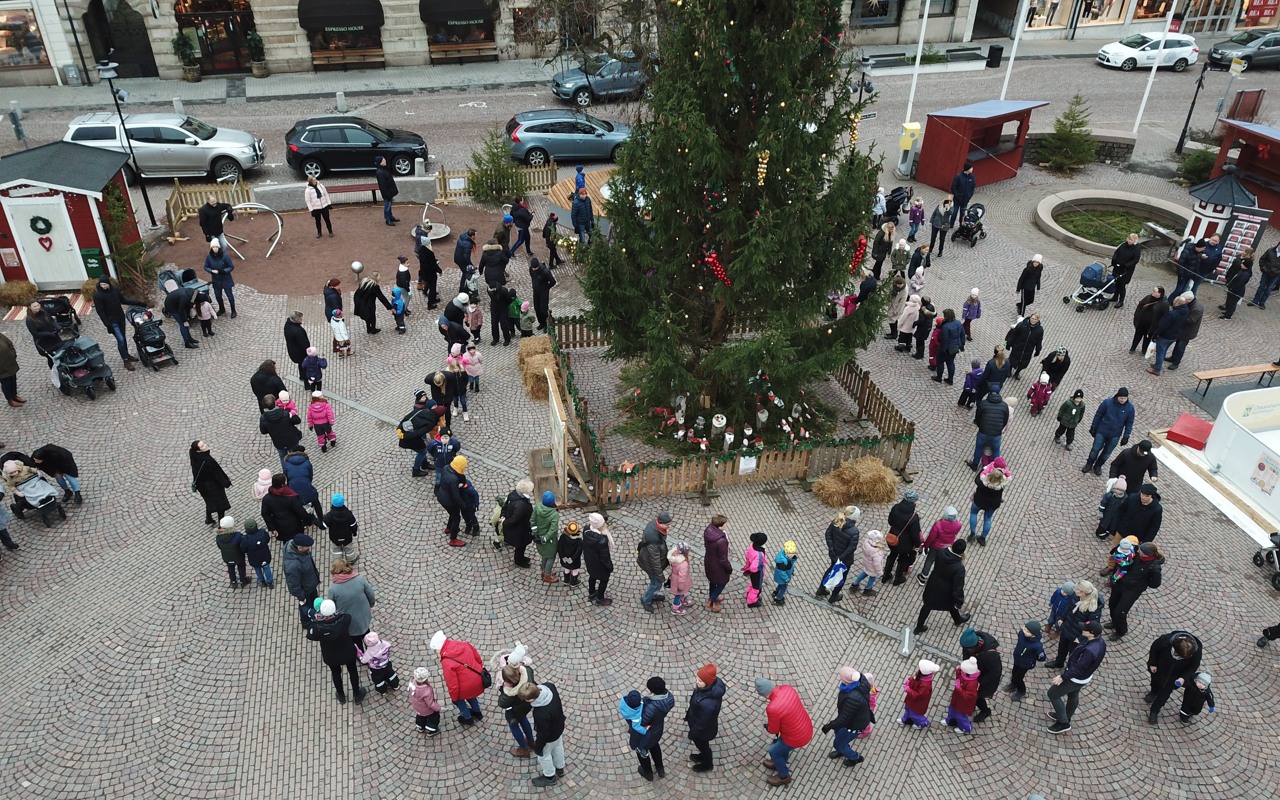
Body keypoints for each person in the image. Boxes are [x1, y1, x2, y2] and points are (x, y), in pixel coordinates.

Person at [1046, 620, 1106, 734]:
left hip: (1075, 678)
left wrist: (1063, 677)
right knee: (1073, 695)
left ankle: (1063, 722)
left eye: (1085, 629)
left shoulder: (1089, 650)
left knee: (1052, 694)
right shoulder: (1099, 642)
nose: (1082, 629)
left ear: (1091, 633)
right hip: (1084, 677)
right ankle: (1064, 715)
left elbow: (1078, 668)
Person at [757, 678, 813, 787]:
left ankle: (784, 776)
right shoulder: (787, 688)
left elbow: (773, 730)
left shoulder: (772, 708)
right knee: (782, 746)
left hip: (796, 737)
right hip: (805, 727)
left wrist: (768, 727)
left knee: (774, 751)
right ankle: (780, 762)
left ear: (764, 695)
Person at [308, 599, 365, 704]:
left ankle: (341, 695)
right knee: (352, 671)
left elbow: (310, 635)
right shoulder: (344, 619)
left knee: (336, 673)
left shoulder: (317, 627)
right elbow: (348, 617)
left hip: (331, 655)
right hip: (347, 651)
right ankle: (357, 694)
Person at [1107, 541, 1164, 640]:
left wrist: (1142, 583)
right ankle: (1114, 621)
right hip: (1120, 583)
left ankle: (1121, 631)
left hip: (1132, 590)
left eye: (1140, 551)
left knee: (1120, 612)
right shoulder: (1136, 553)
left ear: (1147, 554)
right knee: (1112, 604)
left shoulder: (1154, 566)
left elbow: (1155, 584)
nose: (1138, 551)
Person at [913, 538, 969, 635]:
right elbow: (958, 587)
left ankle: (919, 627)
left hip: (933, 583)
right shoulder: (959, 568)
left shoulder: (941, 552)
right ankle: (958, 619)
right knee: (952, 605)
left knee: (927, 605)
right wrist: (959, 601)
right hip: (947, 591)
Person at [1145, 631, 1202, 725]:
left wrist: (1183, 678)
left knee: (1164, 694)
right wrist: (1152, 663)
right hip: (1160, 668)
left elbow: (1193, 667)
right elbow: (1154, 648)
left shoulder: (1196, 652)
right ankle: (1153, 692)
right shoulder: (1165, 641)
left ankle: (1154, 711)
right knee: (1155, 682)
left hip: (1175, 677)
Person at [819, 667, 871, 767]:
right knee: (839, 734)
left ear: (846, 680)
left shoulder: (852, 697)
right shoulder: (859, 681)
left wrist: (830, 725)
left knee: (838, 744)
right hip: (852, 721)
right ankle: (842, 750)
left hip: (853, 726)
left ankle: (855, 757)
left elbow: (844, 719)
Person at [431, 630, 486, 725]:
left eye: (435, 651)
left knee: (460, 701)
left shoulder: (447, 662)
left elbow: (452, 684)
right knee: (472, 696)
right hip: (477, 680)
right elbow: (478, 658)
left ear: (439, 648)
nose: (436, 653)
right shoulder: (464, 644)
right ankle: (478, 713)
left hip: (464, 688)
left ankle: (468, 718)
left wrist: (454, 697)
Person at [521, 681, 567, 787]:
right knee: (558, 747)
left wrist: (538, 748)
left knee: (544, 756)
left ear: (531, 699)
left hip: (550, 737)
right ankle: (560, 768)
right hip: (559, 727)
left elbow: (543, 734)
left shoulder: (541, 713)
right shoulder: (549, 686)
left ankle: (549, 777)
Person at [90, 278, 142, 370]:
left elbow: (124, 300)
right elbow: (100, 311)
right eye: (102, 284)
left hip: (120, 318)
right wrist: (107, 325)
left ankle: (126, 354)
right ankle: (125, 360)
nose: (103, 286)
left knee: (124, 338)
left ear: (108, 283)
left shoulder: (115, 290)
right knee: (120, 340)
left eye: (105, 284)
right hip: (111, 321)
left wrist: (138, 303)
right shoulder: (98, 296)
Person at [1048, 580, 1102, 668]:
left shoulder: (1093, 608)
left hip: (1077, 635)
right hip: (1067, 628)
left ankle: (1069, 669)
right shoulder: (1075, 596)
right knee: (1062, 648)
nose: (1075, 590)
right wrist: (1062, 618)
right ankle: (1059, 662)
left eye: (1077, 589)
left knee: (1073, 655)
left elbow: (1092, 627)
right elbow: (1068, 607)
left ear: (1083, 592)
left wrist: (1081, 638)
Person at [1082, 387, 1134, 476]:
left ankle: (1098, 466)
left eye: (1125, 398)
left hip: (1115, 435)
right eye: (1121, 398)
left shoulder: (1130, 408)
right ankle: (1089, 464)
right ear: (1117, 396)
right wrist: (1093, 427)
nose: (1123, 400)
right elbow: (1098, 415)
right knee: (1095, 449)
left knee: (1107, 454)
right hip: (1102, 431)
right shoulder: (1107, 403)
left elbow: (1129, 423)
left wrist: (1126, 436)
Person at [495, 642, 535, 756]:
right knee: (523, 719)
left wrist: (505, 687)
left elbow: (502, 703)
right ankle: (531, 742)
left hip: (514, 709)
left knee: (514, 725)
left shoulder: (508, 693)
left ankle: (524, 748)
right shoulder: (527, 671)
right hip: (525, 705)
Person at [325, 558, 376, 646]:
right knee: (367, 635)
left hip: (348, 621)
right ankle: (371, 654)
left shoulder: (333, 589)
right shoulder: (359, 578)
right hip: (363, 615)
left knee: (355, 642)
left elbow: (331, 607)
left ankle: (361, 656)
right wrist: (370, 605)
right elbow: (371, 595)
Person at [815, 506, 860, 604]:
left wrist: (832, 549)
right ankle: (834, 596)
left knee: (831, 569)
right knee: (841, 577)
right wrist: (841, 558)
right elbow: (851, 548)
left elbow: (828, 534)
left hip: (834, 555)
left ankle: (821, 589)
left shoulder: (836, 521)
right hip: (845, 560)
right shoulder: (854, 531)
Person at [685, 664, 725, 773]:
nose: (697, 682)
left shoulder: (708, 705)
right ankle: (703, 756)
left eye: (700, 681)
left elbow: (702, 723)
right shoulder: (706, 688)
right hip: (699, 722)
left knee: (703, 745)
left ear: (708, 683)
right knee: (702, 745)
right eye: (697, 679)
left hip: (703, 731)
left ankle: (707, 764)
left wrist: (692, 733)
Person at [960, 628, 1002, 724]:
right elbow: (966, 656)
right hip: (973, 676)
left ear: (974, 646)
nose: (965, 650)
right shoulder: (970, 645)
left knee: (978, 697)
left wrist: (978, 682)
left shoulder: (992, 656)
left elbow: (994, 673)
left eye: (968, 649)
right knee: (972, 695)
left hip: (984, 682)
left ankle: (985, 711)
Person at [636, 677, 675, 781]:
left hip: (647, 733)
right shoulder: (669, 698)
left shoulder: (651, 707)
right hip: (658, 729)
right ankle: (660, 768)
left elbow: (642, 722)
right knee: (654, 745)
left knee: (641, 751)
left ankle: (648, 773)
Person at [436, 455, 478, 547]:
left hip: (441, 495)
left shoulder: (446, 467)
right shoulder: (453, 479)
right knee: (456, 518)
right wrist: (463, 505)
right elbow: (456, 496)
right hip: (449, 501)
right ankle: (453, 539)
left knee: (453, 513)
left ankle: (448, 528)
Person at [882, 489, 921, 586]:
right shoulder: (913, 517)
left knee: (892, 555)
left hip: (893, 538)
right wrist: (917, 544)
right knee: (903, 559)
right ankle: (897, 579)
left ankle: (886, 575)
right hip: (905, 544)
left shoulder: (895, 508)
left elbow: (890, 521)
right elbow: (915, 534)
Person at [968, 458, 1011, 546]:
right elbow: (1006, 475)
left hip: (979, 500)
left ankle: (972, 534)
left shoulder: (983, 481)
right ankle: (982, 538)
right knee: (987, 519)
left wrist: (986, 468)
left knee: (973, 513)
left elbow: (977, 479)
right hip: (992, 504)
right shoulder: (1002, 483)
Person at [189, 440, 232, 525]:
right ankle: (221, 524)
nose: (205, 445)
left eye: (204, 444)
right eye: (202, 446)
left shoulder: (195, 457)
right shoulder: (207, 460)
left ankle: (209, 519)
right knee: (220, 506)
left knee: (209, 502)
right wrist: (226, 482)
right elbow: (217, 473)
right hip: (213, 486)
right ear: (198, 450)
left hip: (202, 487)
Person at [967, 386, 1009, 470]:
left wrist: (981, 427)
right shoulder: (1004, 406)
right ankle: (995, 468)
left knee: (979, 448)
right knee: (996, 450)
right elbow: (1005, 420)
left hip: (983, 432)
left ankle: (975, 465)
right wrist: (999, 428)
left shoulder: (983, 403)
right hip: (996, 434)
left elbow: (978, 418)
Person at [1006, 621, 1045, 702]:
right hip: (1018, 659)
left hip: (1026, 664)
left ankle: (1021, 691)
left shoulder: (1037, 645)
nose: (1024, 631)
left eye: (1027, 631)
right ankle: (1013, 684)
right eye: (1024, 628)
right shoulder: (1022, 633)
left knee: (1018, 678)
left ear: (1033, 634)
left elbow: (1042, 657)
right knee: (1014, 672)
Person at [1165, 291, 1204, 371]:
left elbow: (1191, 321)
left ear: (1189, 300)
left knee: (1180, 347)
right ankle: (1173, 357)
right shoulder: (1189, 304)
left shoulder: (1197, 308)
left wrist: (1179, 316)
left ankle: (1176, 362)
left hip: (1187, 332)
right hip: (1181, 329)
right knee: (1177, 345)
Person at [501, 479, 535, 568]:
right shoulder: (522, 505)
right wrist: (506, 522)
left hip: (518, 527)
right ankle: (519, 560)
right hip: (519, 529)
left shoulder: (513, 495)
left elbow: (505, 506)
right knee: (521, 545)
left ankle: (520, 558)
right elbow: (514, 519)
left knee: (521, 545)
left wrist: (504, 517)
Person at [583, 512, 615, 606]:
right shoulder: (602, 540)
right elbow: (605, 558)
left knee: (592, 576)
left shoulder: (586, 530)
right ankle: (600, 598)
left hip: (589, 561)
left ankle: (592, 593)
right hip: (599, 565)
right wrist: (610, 567)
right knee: (604, 580)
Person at [942, 658, 980, 734]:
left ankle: (966, 728)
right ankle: (949, 720)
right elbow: (959, 678)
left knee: (960, 716)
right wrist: (958, 671)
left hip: (963, 704)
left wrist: (959, 689)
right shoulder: (966, 675)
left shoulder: (972, 683)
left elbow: (968, 696)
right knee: (951, 709)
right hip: (957, 699)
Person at [899, 659, 940, 728]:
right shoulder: (921, 675)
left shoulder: (925, 685)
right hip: (911, 701)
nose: (917, 667)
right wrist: (910, 680)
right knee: (908, 709)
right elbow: (914, 678)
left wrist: (908, 690)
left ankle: (923, 723)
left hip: (917, 705)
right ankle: (905, 720)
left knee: (914, 715)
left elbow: (918, 696)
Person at [703, 513, 731, 612]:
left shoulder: (708, 530)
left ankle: (713, 596)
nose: (726, 525)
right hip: (718, 566)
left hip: (709, 560)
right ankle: (711, 601)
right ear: (720, 526)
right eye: (725, 524)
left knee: (712, 580)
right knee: (722, 582)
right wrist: (729, 568)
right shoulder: (721, 541)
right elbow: (723, 559)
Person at [283, 533, 320, 605]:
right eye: (307, 547)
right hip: (306, 591)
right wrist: (302, 597)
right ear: (299, 548)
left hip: (310, 585)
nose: (309, 548)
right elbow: (293, 585)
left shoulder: (302, 551)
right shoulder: (292, 566)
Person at [214, 516, 251, 589]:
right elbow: (242, 545)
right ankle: (243, 580)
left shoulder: (218, 537)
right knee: (241, 567)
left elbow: (219, 546)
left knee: (230, 567)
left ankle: (233, 581)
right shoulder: (238, 535)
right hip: (238, 556)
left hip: (227, 556)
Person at [203, 240, 237, 318]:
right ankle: (222, 309)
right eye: (213, 247)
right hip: (216, 279)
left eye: (216, 247)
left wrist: (224, 271)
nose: (215, 249)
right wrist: (211, 271)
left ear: (219, 247)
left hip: (226, 279)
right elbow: (206, 266)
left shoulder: (225, 256)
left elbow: (231, 266)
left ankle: (233, 310)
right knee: (218, 296)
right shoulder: (209, 256)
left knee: (230, 296)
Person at [161, 279, 198, 349]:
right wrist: (185, 320)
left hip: (176, 304)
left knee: (186, 323)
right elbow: (181, 310)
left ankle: (189, 338)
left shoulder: (190, 293)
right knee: (183, 324)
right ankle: (187, 343)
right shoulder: (184, 297)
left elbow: (187, 305)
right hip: (172, 307)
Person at [1005, 312, 1044, 379]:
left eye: (1035, 319)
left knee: (1023, 363)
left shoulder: (1040, 330)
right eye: (1032, 318)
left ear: (1038, 320)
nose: (1033, 320)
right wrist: (1009, 343)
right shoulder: (1022, 325)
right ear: (1030, 317)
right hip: (1018, 347)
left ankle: (1017, 372)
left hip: (1028, 350)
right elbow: (1014, 335)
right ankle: (1009, 370)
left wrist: (1038, 350)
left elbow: (1039, 341)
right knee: (1012, 359)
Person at [846, 530, 885, 596]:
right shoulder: (877, 552)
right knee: (872, 577)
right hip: (873, 568)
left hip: (867, 564)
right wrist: (880, 573)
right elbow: (877, 564)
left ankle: (855, 584)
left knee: (865, 572)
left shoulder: (866, 542)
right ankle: (868, 589)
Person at [533, 491, 560, 583]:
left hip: (539, 536)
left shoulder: (537, 507)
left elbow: (532, 521)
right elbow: (553, 530)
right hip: (549, 540)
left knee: (544, 554)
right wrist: (546, 538)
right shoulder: (554, 514)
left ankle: (543, 570)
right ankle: (547, 575)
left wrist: (536, 533)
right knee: (551, 556)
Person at [932, 308, 965, 384]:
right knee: (950, 362)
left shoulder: (945, 327)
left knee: (940, 362)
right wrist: (961, 345)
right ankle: (950, 379)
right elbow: (962, 334)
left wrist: (943, 350)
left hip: (946, 348)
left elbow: (944, 339)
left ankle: (939, 377)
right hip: (955, 347)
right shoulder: (958, 323)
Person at [238, 519, 273, 588]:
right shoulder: (263, 532)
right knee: (266, 567)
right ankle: (270, 582)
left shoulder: (245, 539)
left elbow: (243, 549)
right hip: (265, 555)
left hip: (254, 558)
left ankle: (261, 581)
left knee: (257, 569)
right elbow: (267, 539)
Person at [1110, 233, 1142, 308]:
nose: (1129, 241)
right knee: (1116, 282)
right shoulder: (1123, 245)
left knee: (1121, 285)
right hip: (1118, 267)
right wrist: (1114, 261)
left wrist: (1126, 265)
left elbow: (1135, 260)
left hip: (1126, 270)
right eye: (1129, 239)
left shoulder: (1136, 249)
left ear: (1134, 240)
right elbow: (1116, 253)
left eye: (1131, 240)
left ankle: (1121, 300)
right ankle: (1115, 296)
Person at [1221, 247, 1253, 319]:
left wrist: (1232, 288)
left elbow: (1240, 283)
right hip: (1233, 286)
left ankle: (1228, 315)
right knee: (1229, 300)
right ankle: (1227, 310)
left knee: (1232, 302)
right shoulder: (1243, 270)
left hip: (1235, 290)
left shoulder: (1245, 273)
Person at [414, 225, 441, 309]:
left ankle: (425, 291)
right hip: (430, 273)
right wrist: (439, 270)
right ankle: (431, 303)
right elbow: (433, 264)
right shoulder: (429, 253)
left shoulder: (421, 250)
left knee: (428, 283)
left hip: (424, 272)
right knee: (432, 288)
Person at [408, 667, 442, 735]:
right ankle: (432, 730)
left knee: (420, 717)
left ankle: (421, 727)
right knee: (433, 718)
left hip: (417, 708)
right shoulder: (427, 690)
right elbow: (430, 704)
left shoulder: (412, 683)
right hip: (427, 710)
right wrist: (439, 708)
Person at [1250, 240, 1280, 308]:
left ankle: (1262, 302)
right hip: (1266, 272)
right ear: (1278, 244)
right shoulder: (1270, 251)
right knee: (1261, 287)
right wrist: (1263, 269)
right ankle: (1255, 300)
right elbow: (1262, 259)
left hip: (1275, 275)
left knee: (1268, 289)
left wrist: (1278, 273)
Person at [283, 311, 311, 382]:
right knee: (304, 366)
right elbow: (304, 345)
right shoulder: (298, 331)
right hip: (300, 353)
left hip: (292, 350)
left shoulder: (287, 324)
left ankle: (301, 376)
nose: (302, 320)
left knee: (301, 364)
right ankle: (306, 383)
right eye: (301, 319)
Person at [530, 257, 556, 331]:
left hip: (543, 292)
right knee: (537, 308)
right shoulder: (531, 269)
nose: (534, 270)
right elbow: (532, 277)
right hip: (536, 292)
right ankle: (541, 323)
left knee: (543, 309)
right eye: (533, 268)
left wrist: (546, 288)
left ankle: (546, 324)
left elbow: (553, 282)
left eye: (535, 268)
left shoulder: (545, 271)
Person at [743, 531, 768, 608]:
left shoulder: (752, 545)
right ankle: (752, 601)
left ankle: (748, 595)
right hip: (757, 573)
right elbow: (755, 567)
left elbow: (747, 554)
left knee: (752, 584)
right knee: (757, 588)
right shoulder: (759, 554)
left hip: (752, 570)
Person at [668, 541, 693, 614]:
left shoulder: (675, 558)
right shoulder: (683, 565)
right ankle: (675, 608)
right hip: (679, 584)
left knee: (680, 594)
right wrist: (681, 587)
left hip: (675, 580)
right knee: (678, 595)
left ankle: (682, 599)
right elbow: (681, 578)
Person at [557, 520, 584, 586]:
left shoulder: (563, 537)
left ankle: (566, 580)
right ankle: (573, 582)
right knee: (575, 570)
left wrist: (562, 557)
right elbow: (578, 552)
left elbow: (559, 547)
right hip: (574, 560)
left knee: (567, 568)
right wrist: (572, 559)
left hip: (564, 557)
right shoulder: (579, 540)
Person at [771, 540, 798, 604]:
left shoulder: (786, 557)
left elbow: (790, 566)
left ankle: (776, 593)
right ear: (786, 552)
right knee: (783, 588)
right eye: (790, 553)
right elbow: (781, 572)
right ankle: (778, 599)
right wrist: (786, 579)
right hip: (783, 578)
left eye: (793, 552)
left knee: (780, 585)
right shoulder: (783, 562)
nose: (792, 555)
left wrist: (792, 571)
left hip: (782, 577)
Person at [0, 331, 23, 407]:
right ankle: (10, 399)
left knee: (13, 380)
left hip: (10, 362)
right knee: (6, 383)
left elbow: (9, 343)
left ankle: (14, 396)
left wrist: (12, 354)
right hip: (1, 367)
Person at [375, 156, 399, 225]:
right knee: (387, 206)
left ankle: (390, 217)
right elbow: (383, 185)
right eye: (383, 160)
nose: (385, 161)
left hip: (389, 192)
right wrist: (387, 194)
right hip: (387, 193)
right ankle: (388, 219)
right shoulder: (380, 172)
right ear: (380, 162)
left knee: (389, 205)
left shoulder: (383, 170)